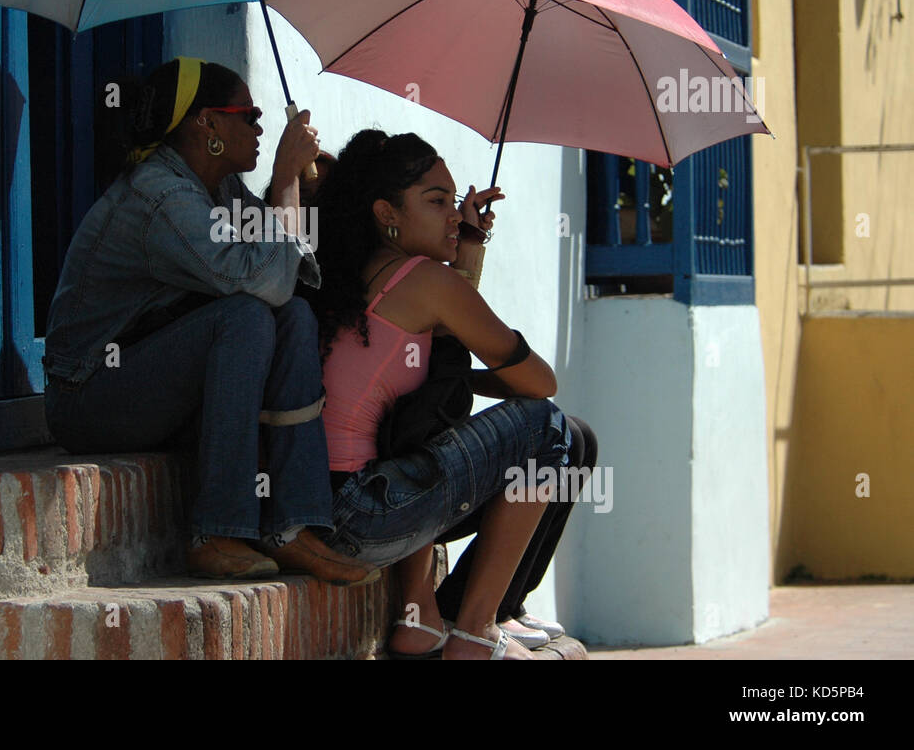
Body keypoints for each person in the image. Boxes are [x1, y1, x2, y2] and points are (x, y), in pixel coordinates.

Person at [41, 57, 373, 585]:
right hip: (87, 396)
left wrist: (296, 194)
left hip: (146, 379)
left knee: (292, 318)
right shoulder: (162, 195)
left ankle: (292, 527)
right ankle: (215, 532)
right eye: (250, 114)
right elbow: (260, 278)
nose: (260, 127)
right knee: (244, 318)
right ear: (207, 124)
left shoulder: (216, 190)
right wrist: (285, 177)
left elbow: (287, 274)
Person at [307, 129, 594, 659]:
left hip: (335, 509)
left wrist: (468, 246)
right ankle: (478, 630)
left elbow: (445, 364)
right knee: (546, 427)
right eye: (436, 202)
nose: (455, 215)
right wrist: (462, 265)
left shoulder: (364, 274)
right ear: (386, 212)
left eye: (452, 202)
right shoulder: (424, 281)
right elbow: (540, 384)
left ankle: (432, 618)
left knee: (464, 420)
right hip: (366, 513)